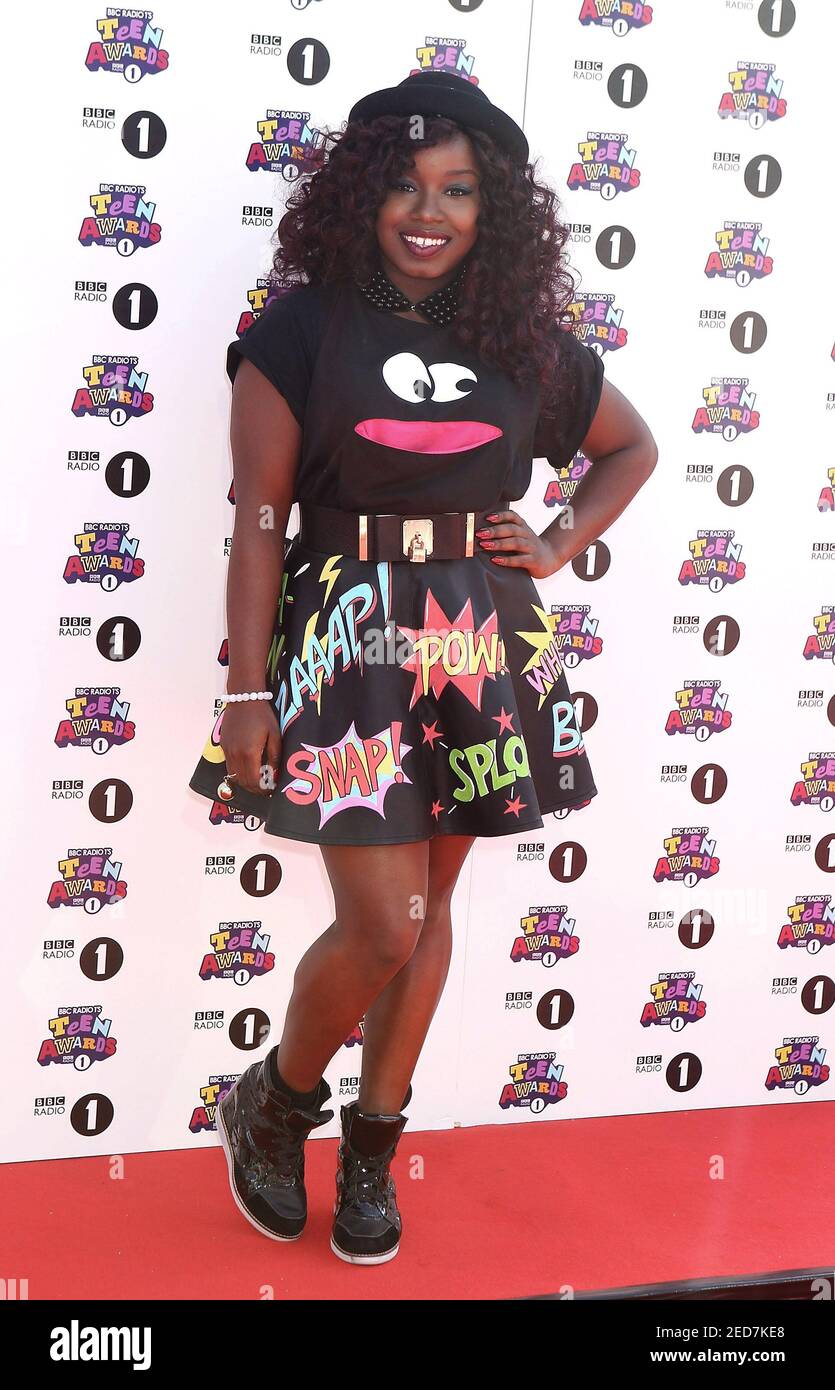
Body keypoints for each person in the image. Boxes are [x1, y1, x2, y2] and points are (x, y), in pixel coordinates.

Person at [188, 71, 658, 1266]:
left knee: (432, 907)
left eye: (456, 189)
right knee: (385, 922)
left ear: (492, 208)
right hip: (345, 637)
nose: (427, 211)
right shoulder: (301, 331)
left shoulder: (522, 339)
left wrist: (555, 543)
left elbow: (629, 446)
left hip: (480, 638)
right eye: (403, 183)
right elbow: (258, 517)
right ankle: (276, 1102)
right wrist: (247, 689)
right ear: (362, 194)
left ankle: (369, 1149)